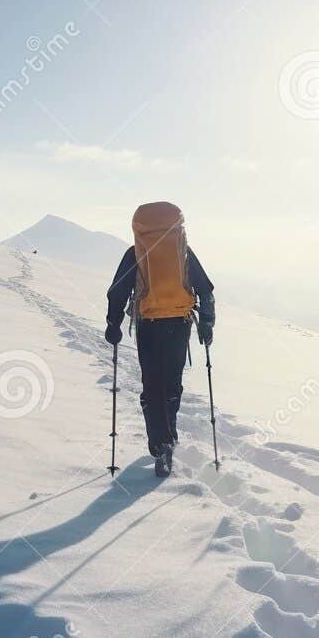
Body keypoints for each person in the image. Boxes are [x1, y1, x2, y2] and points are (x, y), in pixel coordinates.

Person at [105, 201, 214, 477]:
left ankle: (161, 444)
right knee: (172, 382)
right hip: (180, 324)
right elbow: (205, 290)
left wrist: (113, 324)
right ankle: (169, 435)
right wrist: (208, 323)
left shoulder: (136, 252)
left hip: (149, 326)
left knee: (152, 384)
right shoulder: (183, 253)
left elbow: (117, 292)